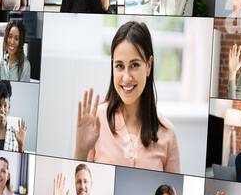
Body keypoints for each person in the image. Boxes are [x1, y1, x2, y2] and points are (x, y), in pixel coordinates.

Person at [73, 20, 181, 172]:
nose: (126, 77)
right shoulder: (96, 120)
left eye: (134, 65)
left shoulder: (168, 133)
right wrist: (81, 150)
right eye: (119, 66)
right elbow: (80, 178)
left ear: (149, 65)